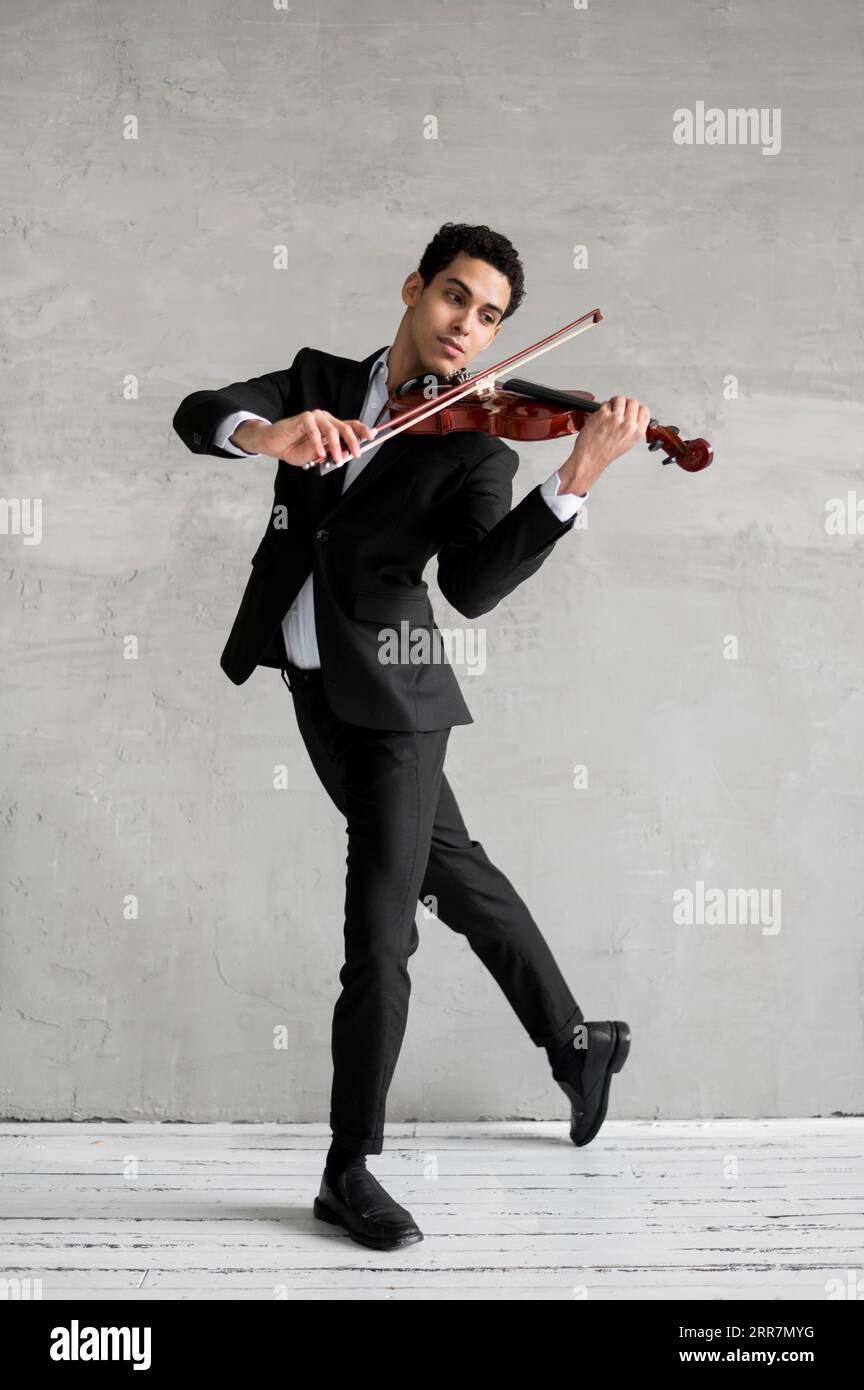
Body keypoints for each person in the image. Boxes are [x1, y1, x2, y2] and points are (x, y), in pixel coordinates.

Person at [172, 222, 646, 1251]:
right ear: (413, 288)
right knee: (454, 870)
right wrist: (270, 436)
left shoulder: (478, 443)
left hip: (395, 709)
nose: (467, 328)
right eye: (455, 300)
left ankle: (351, 1166)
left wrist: (576, 477)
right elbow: (197, 412)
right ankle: (578, 1040)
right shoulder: (317, 379)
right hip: (312, 688)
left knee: (379, 930)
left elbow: (471, 589)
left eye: (489, 319)